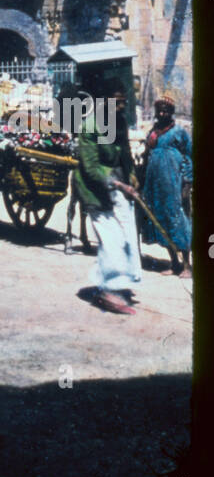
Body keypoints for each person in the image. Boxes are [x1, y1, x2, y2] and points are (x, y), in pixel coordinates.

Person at [72, 84, 142, 315]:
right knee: (111, 239)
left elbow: (125, 153)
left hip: (118, 188)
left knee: (127, 237)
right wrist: (118, 183)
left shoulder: (119, 122)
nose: (122, 107)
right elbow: (91, 168)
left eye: (124, 102)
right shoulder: (90, 127)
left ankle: (119, 283)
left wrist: (131, 177)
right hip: (96, 190)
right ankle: (108, 290)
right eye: (117, 102)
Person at [138, 93, 192, 276]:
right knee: (159, 218)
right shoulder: (153, 131)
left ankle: (186, 264)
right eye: (159, 110)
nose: (162, 113)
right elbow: (146, 155)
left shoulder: (179, 132)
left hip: (173, 182)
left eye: (166, 110)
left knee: (177, 218)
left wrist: (187, 184)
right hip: (155, 183)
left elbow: (190, 157)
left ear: (171, 112)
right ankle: (174, 262)